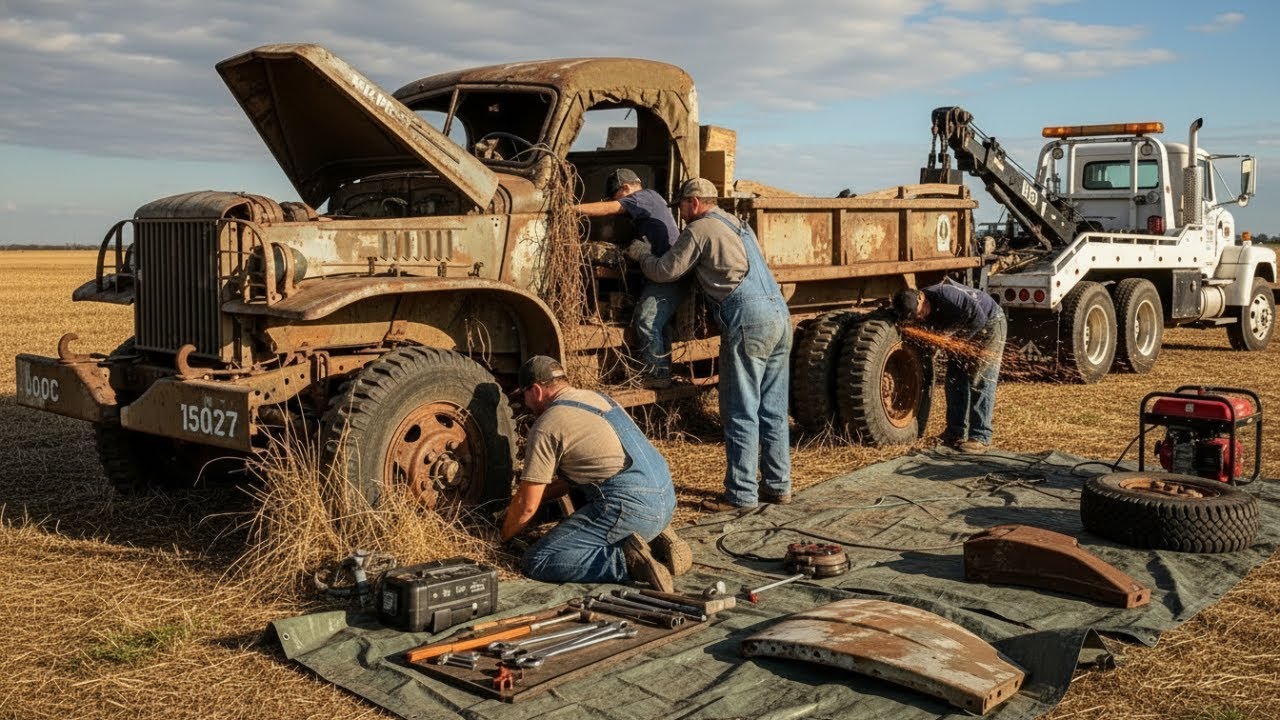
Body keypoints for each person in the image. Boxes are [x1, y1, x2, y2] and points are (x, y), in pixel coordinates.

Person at [624, 178, 792, 511]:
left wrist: (642, 255)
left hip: (748, 318)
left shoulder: (699, 230)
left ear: (696, 202)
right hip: (779, 314)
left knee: (740, 409)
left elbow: (666, 270)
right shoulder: (739, 224)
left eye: (683, 206)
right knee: (772, 409)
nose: (681, 213)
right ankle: (778, 486)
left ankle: (742, 495)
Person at [499, 356, 691, 591]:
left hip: (631, 508)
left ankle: (629, 563)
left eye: (525, 396)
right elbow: (572, 482)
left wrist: (503, 536)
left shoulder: (547, 424)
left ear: (536, 391)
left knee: (537, 559)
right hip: (666, 500)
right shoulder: (600, 398)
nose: (526, 403)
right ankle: (658, 540)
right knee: (586, 495)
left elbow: (527, 505)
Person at [575, 168, 685, 389]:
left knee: (646, 319)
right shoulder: (652, 201)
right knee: (660, 324)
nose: (619, 203)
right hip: (666, 272)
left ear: (625, 188)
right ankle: (663, 372)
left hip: (668, 274)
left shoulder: (644, 197)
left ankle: (656, 374)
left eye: (617, 196)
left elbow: (610, 208)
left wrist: (571, 209)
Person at [892, 280, 1007, 453]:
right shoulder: (921, 307)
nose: (920, 318)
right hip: (963, 330)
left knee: (980, 380)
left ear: (921, 297)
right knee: (954, 381)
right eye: (915, 318)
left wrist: (955, 342)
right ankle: (955, 433)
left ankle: (980, 437)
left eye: (919, 313)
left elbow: (979, 318)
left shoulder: (947, 295)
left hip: (989, 323)